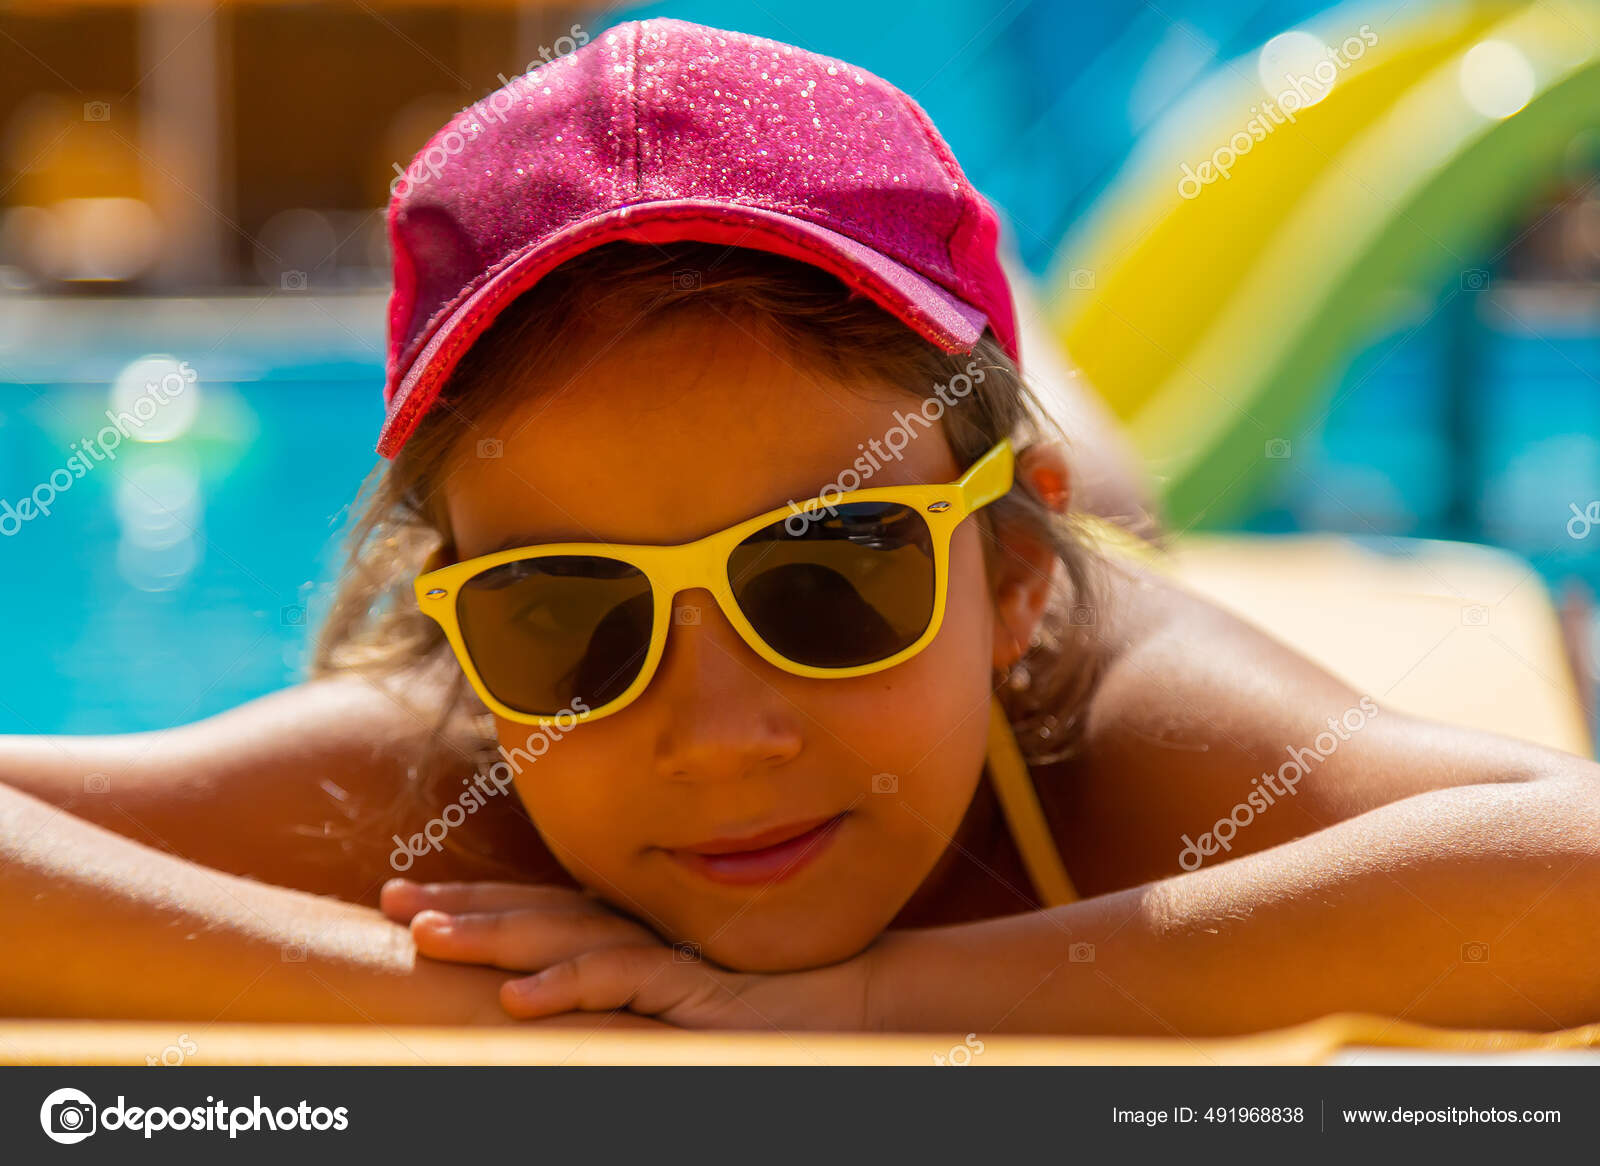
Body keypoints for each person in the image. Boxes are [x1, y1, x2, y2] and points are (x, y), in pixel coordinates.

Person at [4, 18, 1599, 1036]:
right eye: (571, 615)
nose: (716, 732)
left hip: (1082, 517)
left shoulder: (1109, 724)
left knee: (1100, 476)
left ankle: (1020, 308)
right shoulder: (457, 775)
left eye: (829, 580)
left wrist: (882, 992)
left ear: (1013, 583)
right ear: (468, 637)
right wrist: (494, 1009)